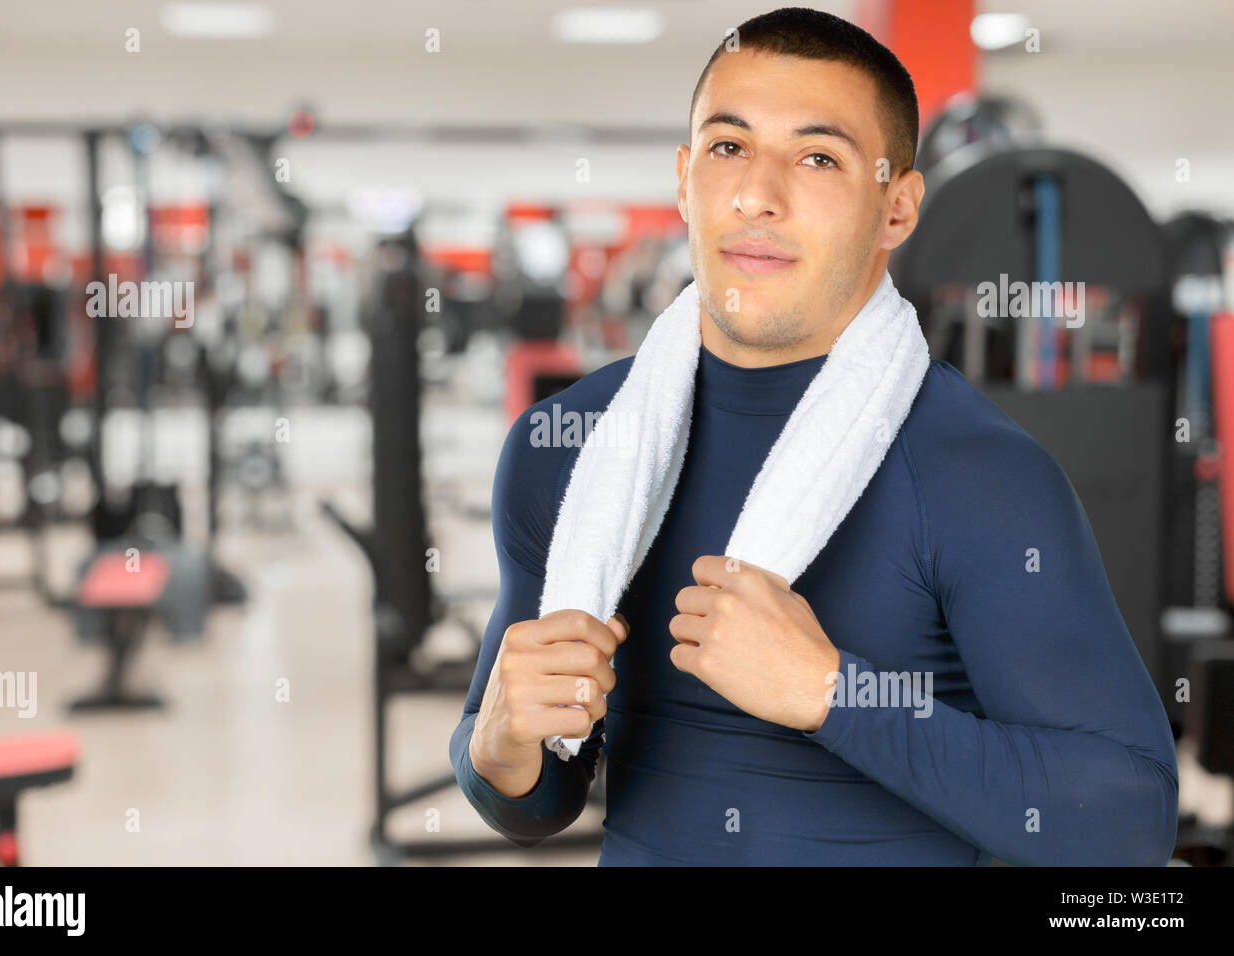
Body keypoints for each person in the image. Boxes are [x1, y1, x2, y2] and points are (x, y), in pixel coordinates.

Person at [449, 6, 1178, 865]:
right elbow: (537, 802)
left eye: (818, 156)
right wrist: (497, 744)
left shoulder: (976, 475)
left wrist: (831, 692)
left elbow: (1127, 820)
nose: (759, 193)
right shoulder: (568, 452)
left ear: (897, 206)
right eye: (729, 148)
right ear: (685, 180)